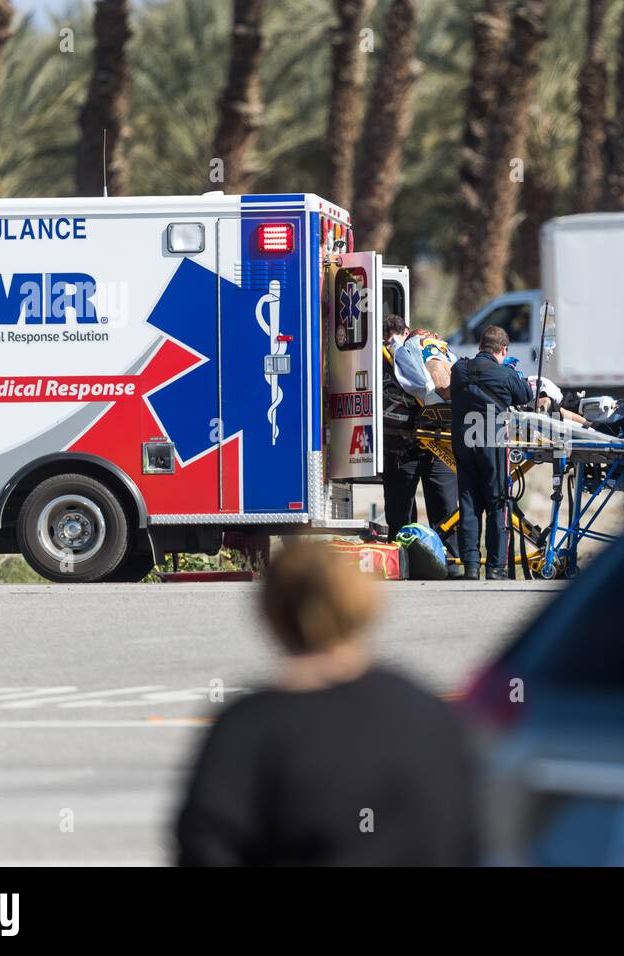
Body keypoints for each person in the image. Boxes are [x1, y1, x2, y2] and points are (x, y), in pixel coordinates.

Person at [175, 540, 478, 865]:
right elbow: (470, 835)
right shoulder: (428, 715)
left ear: (270, 612)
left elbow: (205, 844)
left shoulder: (249, 729)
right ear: (365, 605)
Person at [450, 325, 532, 581]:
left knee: (468, 502)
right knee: (497, 502)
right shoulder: (505, 373)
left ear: (480, 346)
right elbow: (526, 395)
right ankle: (496, 568)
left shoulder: (459, 370)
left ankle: (472, 566)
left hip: (463, 440)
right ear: (503, 350)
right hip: (492, 441)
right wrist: (510, 371)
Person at [380, 315, 460, 568]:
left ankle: (452, 563)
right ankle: (401, 565)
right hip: (401, 447)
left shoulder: (423, 350)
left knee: (446, 511)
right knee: (399, 514)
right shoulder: (380, 362)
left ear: (406, 331)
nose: (392, 341)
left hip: (436, 444)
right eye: (386, 337)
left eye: (396, 334)